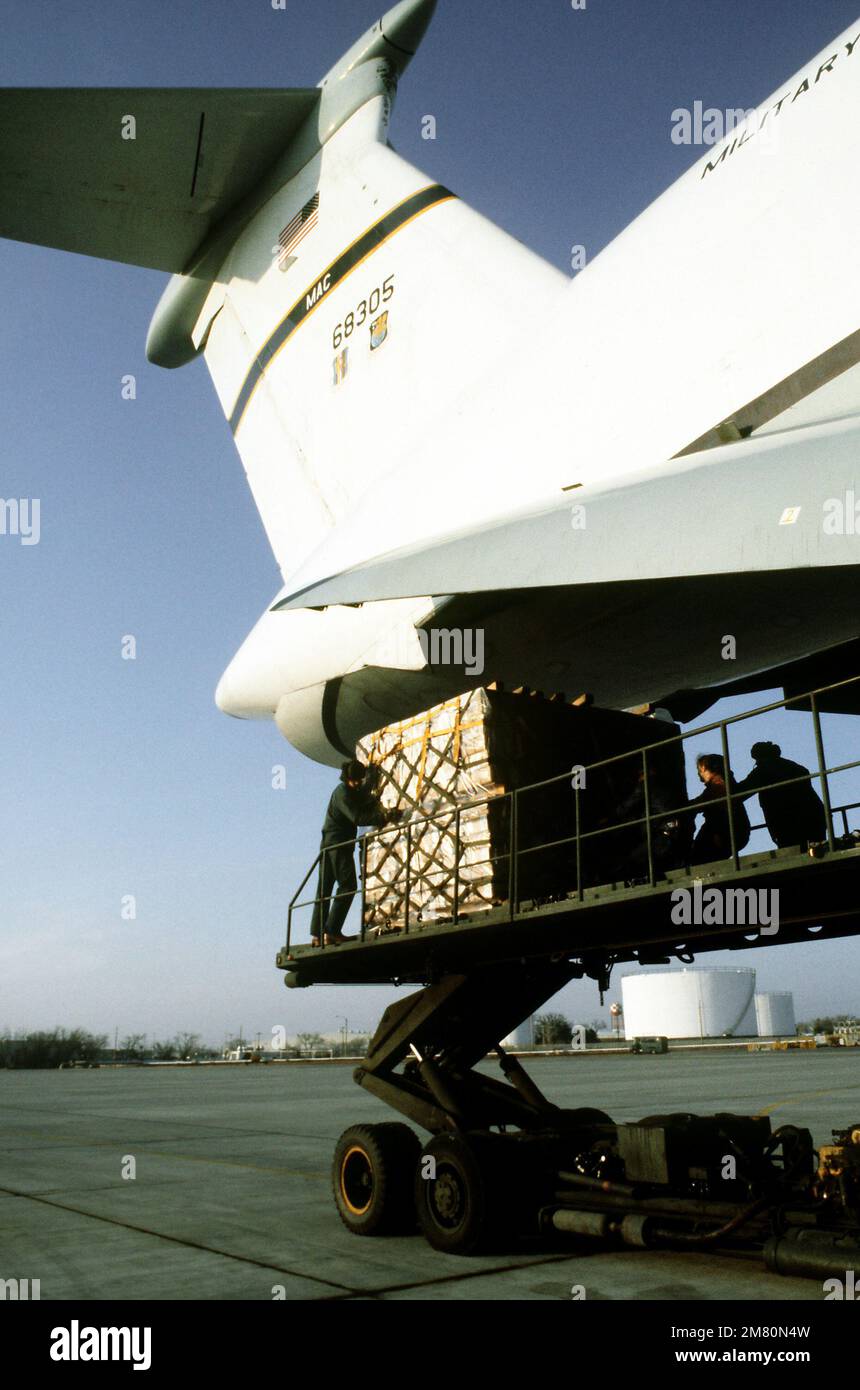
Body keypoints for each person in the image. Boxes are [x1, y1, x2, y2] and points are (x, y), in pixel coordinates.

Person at [310, 761, 402, 945]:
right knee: (348, 886)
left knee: (324, 889)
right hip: (338, 845)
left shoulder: (349, 791)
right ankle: (332, 931)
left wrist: (372, 776)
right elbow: (357, 817)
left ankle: (317, 934)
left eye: (360, 781)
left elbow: (362, 794)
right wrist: (383, 817)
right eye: (355, 781)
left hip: (328, 844)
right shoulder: (342, 793)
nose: (358, 784)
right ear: (347, 779)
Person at [735, 742, 827, 848]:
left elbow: (740, 792)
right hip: (814, 818)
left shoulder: (764, 770)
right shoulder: (795, 767)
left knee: (794, 854)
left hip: (789, 823)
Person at [686, 753, 751, 864]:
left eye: (699, 769)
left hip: (720, 833)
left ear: (703, 767)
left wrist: (681, 808)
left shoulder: (718, 785)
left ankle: (699, 882)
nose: (698, 773)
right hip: (734, 832)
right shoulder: (725, 783)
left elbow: (701, 802)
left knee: (696, 860)